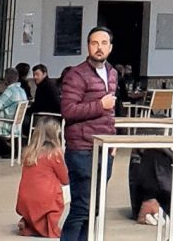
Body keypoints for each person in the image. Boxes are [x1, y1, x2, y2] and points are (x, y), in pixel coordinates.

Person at [58, 26, 119, 241]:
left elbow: (110, 113)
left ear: (110, 47)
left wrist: (113, 141)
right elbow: (68, 111)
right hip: (82, 149)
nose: (99, 48)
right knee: (81, 208)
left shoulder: (112, 73)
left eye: (103, 43)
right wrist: (100, 105)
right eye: (94, 43)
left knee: (95, 208)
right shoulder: (76, 75)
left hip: (105, 147)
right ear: (88, 46)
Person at [16, 117, 68, 237]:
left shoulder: (29, 152)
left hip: (25, 199)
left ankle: (28, 222)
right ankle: (47, 226)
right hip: (46, 200)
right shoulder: (54, 153)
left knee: (38, 189)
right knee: (66, 190)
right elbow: (65, 179)